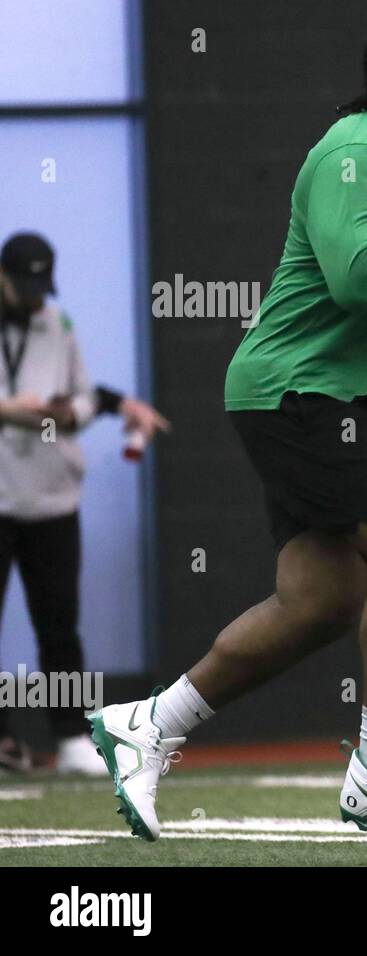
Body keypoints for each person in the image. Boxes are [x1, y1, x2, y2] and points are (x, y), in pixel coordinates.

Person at [89, 13, 367, 845]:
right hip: (302, 391)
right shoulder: (358, 153)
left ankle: (151, 724)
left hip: (331, 398)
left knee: (322, 598)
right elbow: (357, 278)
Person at [0, 232, 170, 775]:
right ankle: (4, 741)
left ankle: (71, 735)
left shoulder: (58, 324)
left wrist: (83, 409)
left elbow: (82, 396)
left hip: (52, 496)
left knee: (59, 623)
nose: (34, 299)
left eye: (39, 287)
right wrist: (12, 408)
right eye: (23, 286)